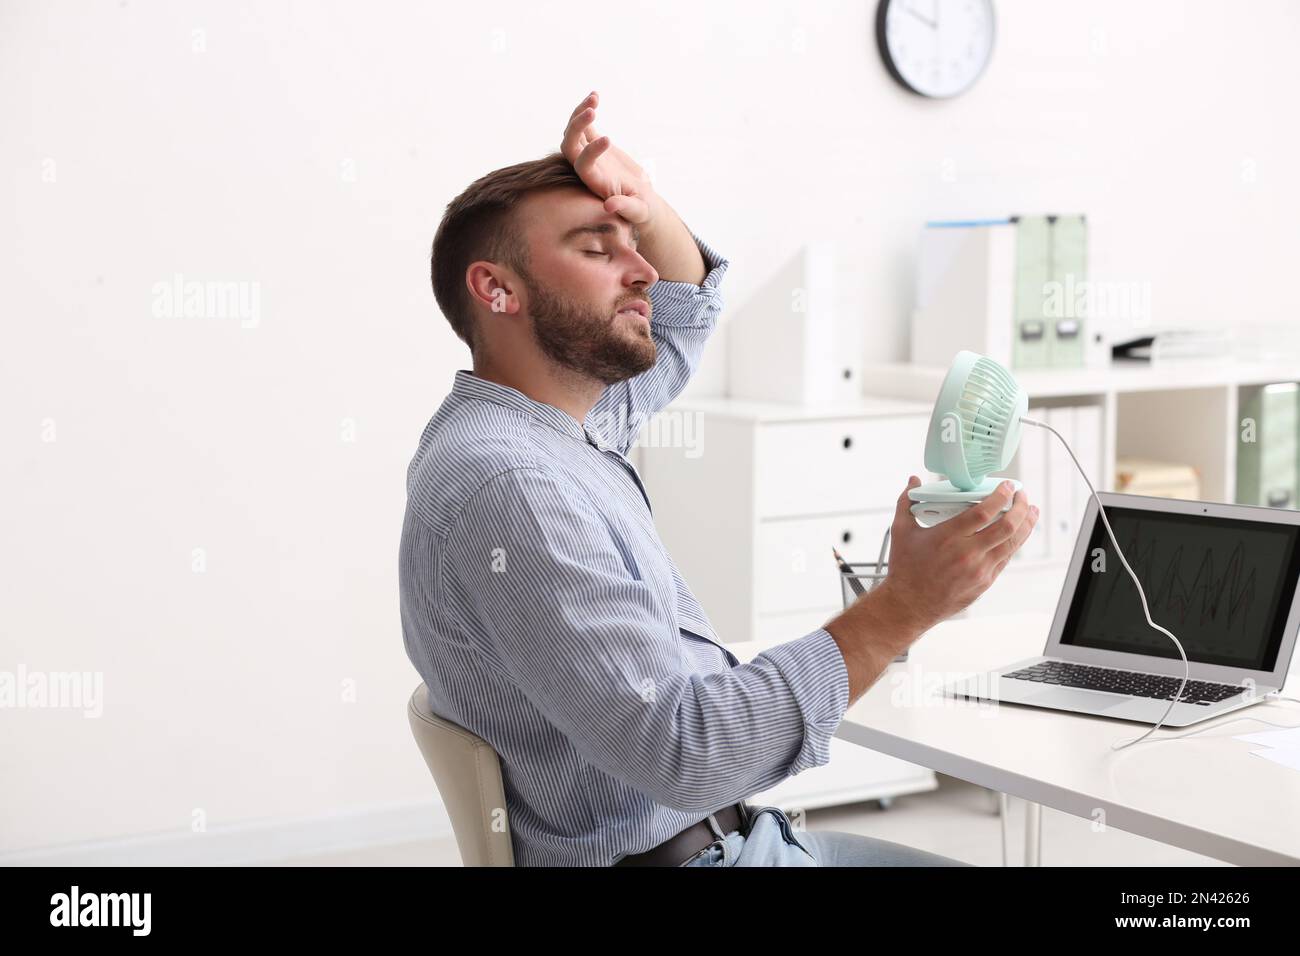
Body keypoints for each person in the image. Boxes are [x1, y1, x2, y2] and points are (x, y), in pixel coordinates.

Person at [399, 91, 1038, 866]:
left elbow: (683, 306)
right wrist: (906, 604)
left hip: (734, 839)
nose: (641, 271)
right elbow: (686, 750)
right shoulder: (515, 488)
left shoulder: (559, 425)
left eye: (633, 245)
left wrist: (645, 203)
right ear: (496, 289)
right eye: (598, 250)